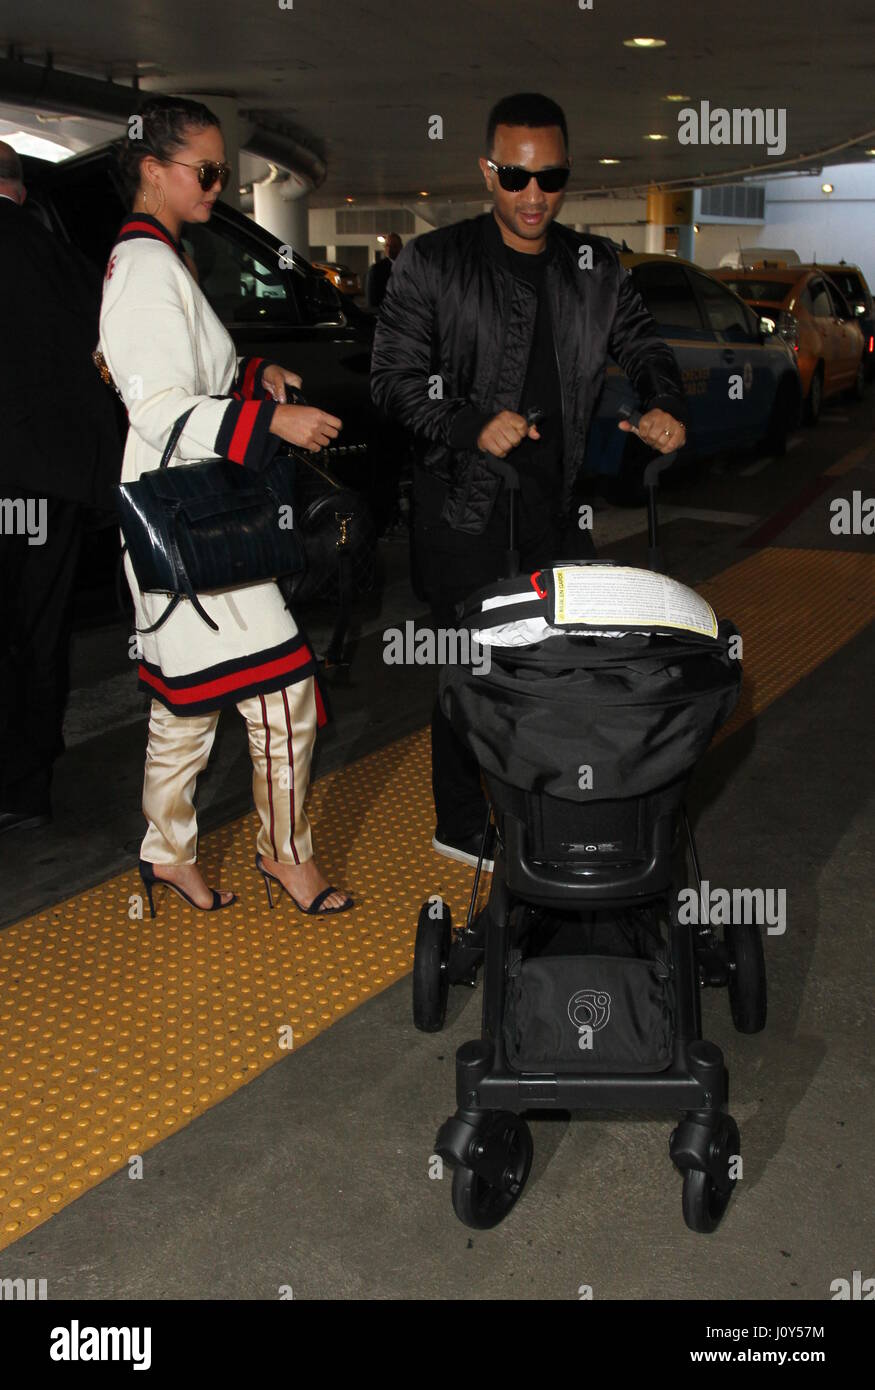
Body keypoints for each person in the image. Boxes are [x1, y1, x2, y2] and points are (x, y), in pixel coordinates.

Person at [370, 92, 689, 870]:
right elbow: (391, 379)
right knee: (470, 670)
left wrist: (664, 404)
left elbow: (644, 346)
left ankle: (541, 810)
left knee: (549, 667)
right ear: (487, 170)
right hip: (464, 507)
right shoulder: (435, 260)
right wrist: (468, 422)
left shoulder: (593, 265)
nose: (533, 195)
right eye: (514, 176)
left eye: (551, 177)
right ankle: (459, 823)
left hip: (556, 506)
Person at [98, 95, 353, 915]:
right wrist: (267, 419)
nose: (220, 185)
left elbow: (183, 375)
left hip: (179, 520)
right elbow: (159, 411)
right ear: (153, 170)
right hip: (190, 520)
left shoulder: (156, 257)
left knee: (189, 704)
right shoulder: (143, 267)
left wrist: (253, 377)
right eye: (206, 171)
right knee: (284, 694)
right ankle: (284, 856)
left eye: (222, 171)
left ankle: (167, 851)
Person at [0, 142, 124, 835]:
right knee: (38, 633)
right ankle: (27, 785)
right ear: (19, 189)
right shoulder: (64, 262)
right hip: (47, 492)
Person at [366, 232, 403, 308]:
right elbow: (372, 299)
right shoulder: (376, 269)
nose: (389, 249)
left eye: (393, 246)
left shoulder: (407, 267)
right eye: (387, 246)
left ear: (400, 247)